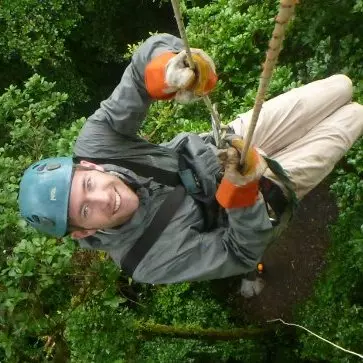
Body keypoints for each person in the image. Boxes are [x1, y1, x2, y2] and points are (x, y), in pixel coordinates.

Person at [18, 33, 363, 291]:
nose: (103, 198)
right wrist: (241, 192)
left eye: (88, 186)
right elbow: (241, 253)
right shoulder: (146, 260)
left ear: (89, 167)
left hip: (230, 141)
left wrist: (168, 70)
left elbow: (141, 70)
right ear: (84, 231)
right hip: (263, 191)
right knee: (355, 116)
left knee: (340, 87)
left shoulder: (98, 146)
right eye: (85, 210)